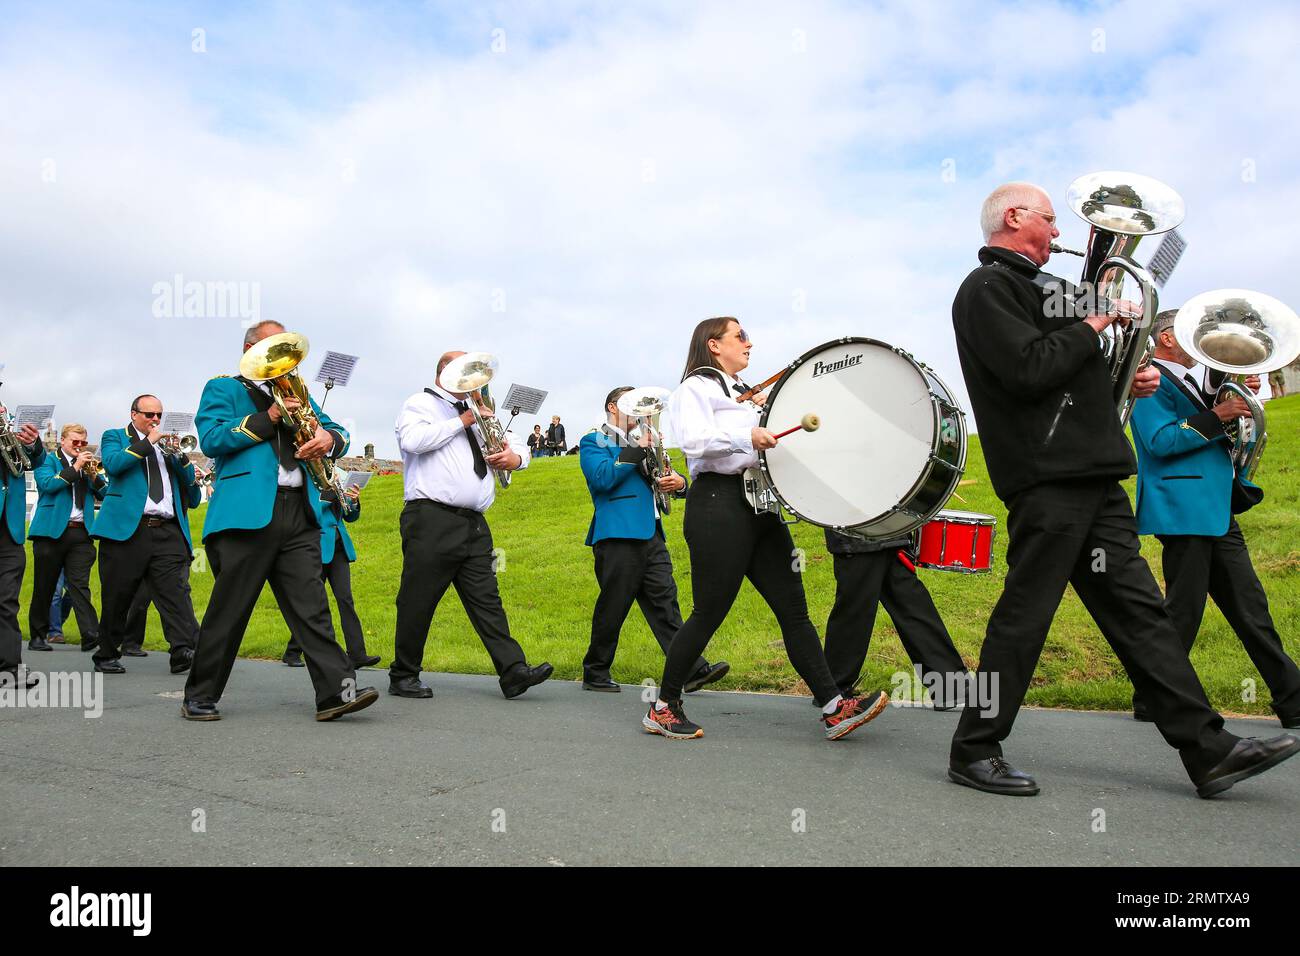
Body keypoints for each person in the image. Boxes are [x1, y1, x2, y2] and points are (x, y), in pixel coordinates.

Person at [945, 181, 1298, 798]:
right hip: (1048, 478)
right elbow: (1027, 369)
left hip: (1092, 471)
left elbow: (1064, 367)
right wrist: (1097, 321)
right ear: (1013, 217)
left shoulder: (1047, 291)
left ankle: (1208, 751)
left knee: (1142, 616)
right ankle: (973, 749)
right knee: (1024, 618)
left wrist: (1120, 378)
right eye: (1051, 220)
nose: (1060, 233)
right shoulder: (987, 289)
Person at [644, 317, 889, 741]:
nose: (749, 343)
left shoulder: (744, 395)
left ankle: (834, 707)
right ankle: (663, 707)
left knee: (794, 611)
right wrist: (748, 437)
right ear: (713, 345)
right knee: (709, 612)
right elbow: (693, 441)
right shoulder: (694, 389)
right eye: (740, 336)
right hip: (717, 504)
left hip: (759, 506)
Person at [182, 320, 378, 722]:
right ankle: (199, 696)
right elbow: (213, 439)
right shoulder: (224, 388)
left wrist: (330, 440)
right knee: (229, 611)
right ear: (250, 348)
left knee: (312, 610)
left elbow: (337, 430)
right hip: (246, 515)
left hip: (299, 512)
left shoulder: (298, 392)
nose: (283, 358)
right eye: (273, 347)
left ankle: (336, 694)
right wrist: (268, 416)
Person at [1129, 309, 1300, 727]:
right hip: (1184, 510)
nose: (1199, 343)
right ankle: (1151, 696)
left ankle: (1292, 700)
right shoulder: (1147, 379)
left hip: (1215, 507)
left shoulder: (1197, 380)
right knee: (1183, 612)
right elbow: (1160, 441)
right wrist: (1218, 416)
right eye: (1189, 335)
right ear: (1167, 338)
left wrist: (1240, 390)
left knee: (1251, 609)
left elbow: (1213, 411)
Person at [389, 351, 552, 700]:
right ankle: (403, 674)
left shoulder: (478, 411)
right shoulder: (420, 404)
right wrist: (463, 421)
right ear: (443, 374)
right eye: (464, 373)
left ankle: (513, 671)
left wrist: (516, 458)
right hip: (431, 517)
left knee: (487, 598)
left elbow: (512, 444)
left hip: (474, 523)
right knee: (419, 599)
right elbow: (413, 442)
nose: (472, 381)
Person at [578, 385, 729, 693]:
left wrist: (680, 483)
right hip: (618, 533)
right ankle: (595, 670)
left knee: (666, 605)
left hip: (652, 533)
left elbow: (669, 476)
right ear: (612, 407)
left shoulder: (649, 441)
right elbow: (602, 479)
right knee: (614, 606)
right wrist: (635, 448)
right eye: (630, 405)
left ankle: (691, 669)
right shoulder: (594, 440)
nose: (638, 412)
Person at [91, 396, 203, 676]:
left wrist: (182, 460)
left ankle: (182, 651)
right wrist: (148, 442)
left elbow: (193, 497)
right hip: (128, 530)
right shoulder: (115, 436)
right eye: (150, 414)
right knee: (118, 595)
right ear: (134, 414)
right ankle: (107, 653)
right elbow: (114, 465)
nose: (155, 420)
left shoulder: (168, 448)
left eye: (159, 415)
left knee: (176, 594)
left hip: (167, 529)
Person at [822, 529, 968, 708]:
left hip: (890, 529)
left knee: (910, 602)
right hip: (857, 533)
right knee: (857, 610)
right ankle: (831, 690)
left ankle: (951, 685)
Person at [282, 486, 382, 669]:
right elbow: (307, 511)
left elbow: (350, 517)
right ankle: (293, 651)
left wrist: (353, 501)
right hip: (316, 546)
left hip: (339, 547)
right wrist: (324, 498)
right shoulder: (310, 480)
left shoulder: (335, 480)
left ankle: (357, 654)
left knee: (346, 600)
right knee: (312, 602)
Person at [27, 424, 105, 653]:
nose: (79, 447)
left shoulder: (89, 466)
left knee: (79, 585)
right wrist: (75, 468)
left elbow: (105, 493)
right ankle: (39, 636)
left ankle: (90, 634)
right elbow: (47, 485)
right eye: (75, 442)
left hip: (81, 532)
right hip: (50, 532)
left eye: (83, 443)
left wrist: (92, 475)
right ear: (63, 441)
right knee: (45, 585)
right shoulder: (49, 461)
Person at [0, 407, 45, 689]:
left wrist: (32, 444)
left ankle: (9, 668)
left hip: (10, 527)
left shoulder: (8, 424)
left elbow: (34, 462)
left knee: (6, 600)